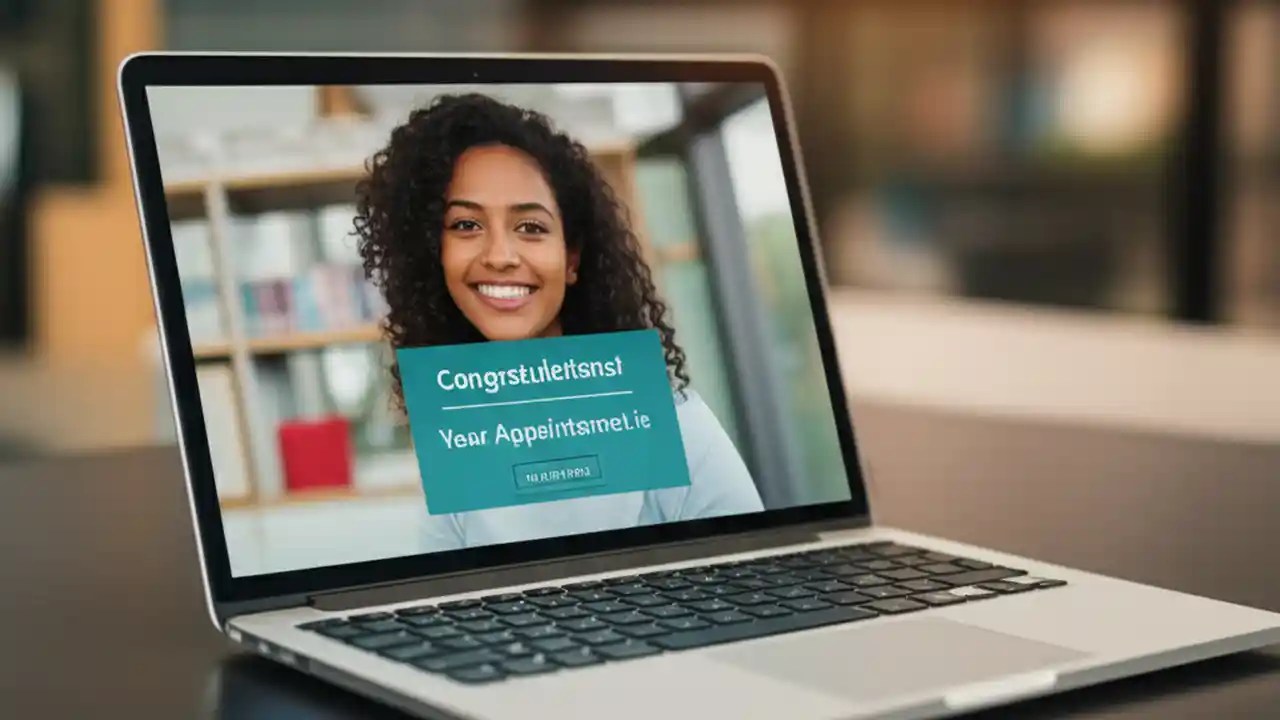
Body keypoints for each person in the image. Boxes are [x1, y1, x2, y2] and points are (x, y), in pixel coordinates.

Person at [355, 93, 762, 550]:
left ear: (571, 259)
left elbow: (756, 579)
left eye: (530, 227)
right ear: (434, 256)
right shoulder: (460, 440)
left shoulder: (664, 416)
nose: (500, 257)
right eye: (466, 226)